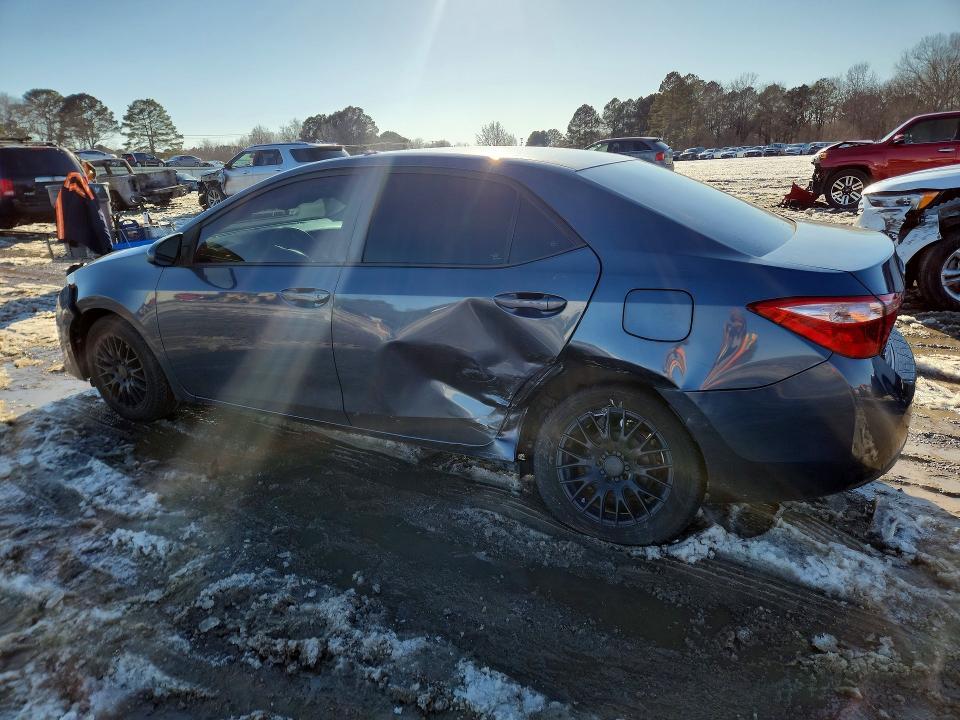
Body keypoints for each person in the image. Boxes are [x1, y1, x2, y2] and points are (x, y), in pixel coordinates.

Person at [55, 168, 112, 256]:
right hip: (87, 238)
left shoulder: (62, 193)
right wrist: (107, 244)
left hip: (71, 237)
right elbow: (98, 219)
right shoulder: (87, 192)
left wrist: (63, 238)